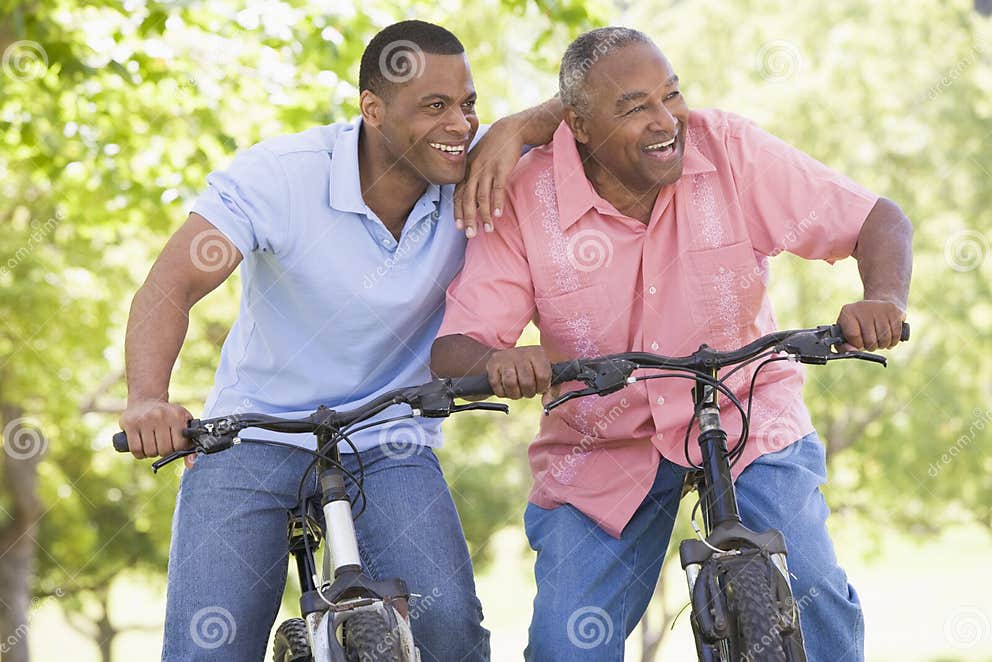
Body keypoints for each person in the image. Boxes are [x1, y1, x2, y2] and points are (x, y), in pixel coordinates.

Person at [430, 26, 912, 661]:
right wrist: (501, 361)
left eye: (672, 95)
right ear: (575, 125)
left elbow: (878, 219)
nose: (666, 121)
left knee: (816, 594)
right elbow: (454, 347)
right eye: (634, 108)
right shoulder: (525, 194)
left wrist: (884, 298)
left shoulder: (729, 150)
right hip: (603, 442)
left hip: (745, 411)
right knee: (564, 646)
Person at [118, 20, 561, 661]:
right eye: (434, 107)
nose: (460, 124)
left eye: (468, 105)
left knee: (451, 635)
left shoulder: (476, 163)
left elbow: (590, 105)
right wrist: (145, 398)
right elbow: (168, 288)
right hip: (252, 433)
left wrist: (516, 129)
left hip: (388, 437)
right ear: (372, 110)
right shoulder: (281, 177)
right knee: (206, 648)